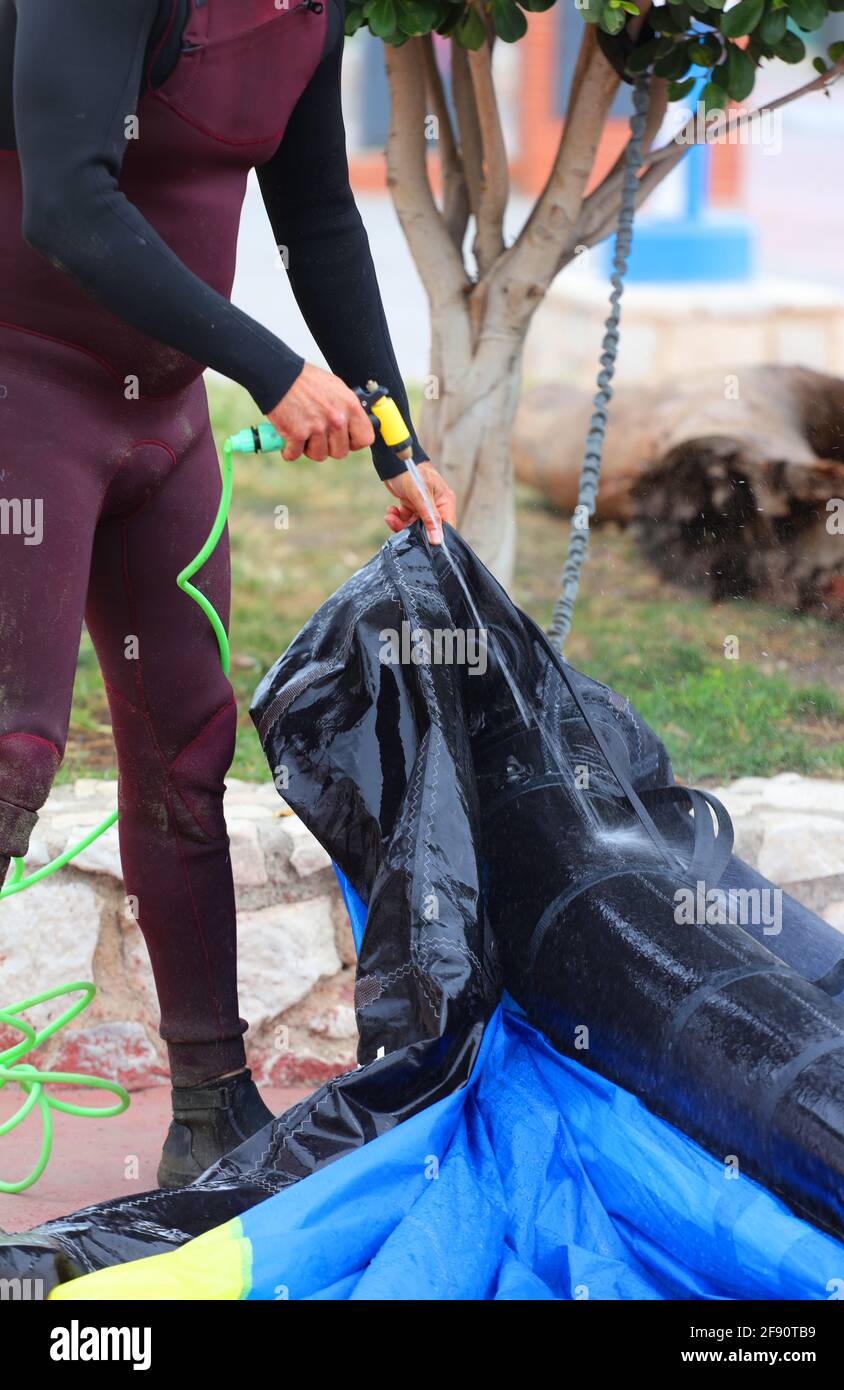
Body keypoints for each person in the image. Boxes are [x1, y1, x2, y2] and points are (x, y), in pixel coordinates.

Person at [0, 0, 456, 1187]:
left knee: (189, 755)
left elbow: (314, 218)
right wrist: (272, 369)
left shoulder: (312, 7)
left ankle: (209, 1102)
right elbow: (67, 203)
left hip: (164, 424)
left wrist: (392, 439)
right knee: (14, 749)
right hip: (21, 400)